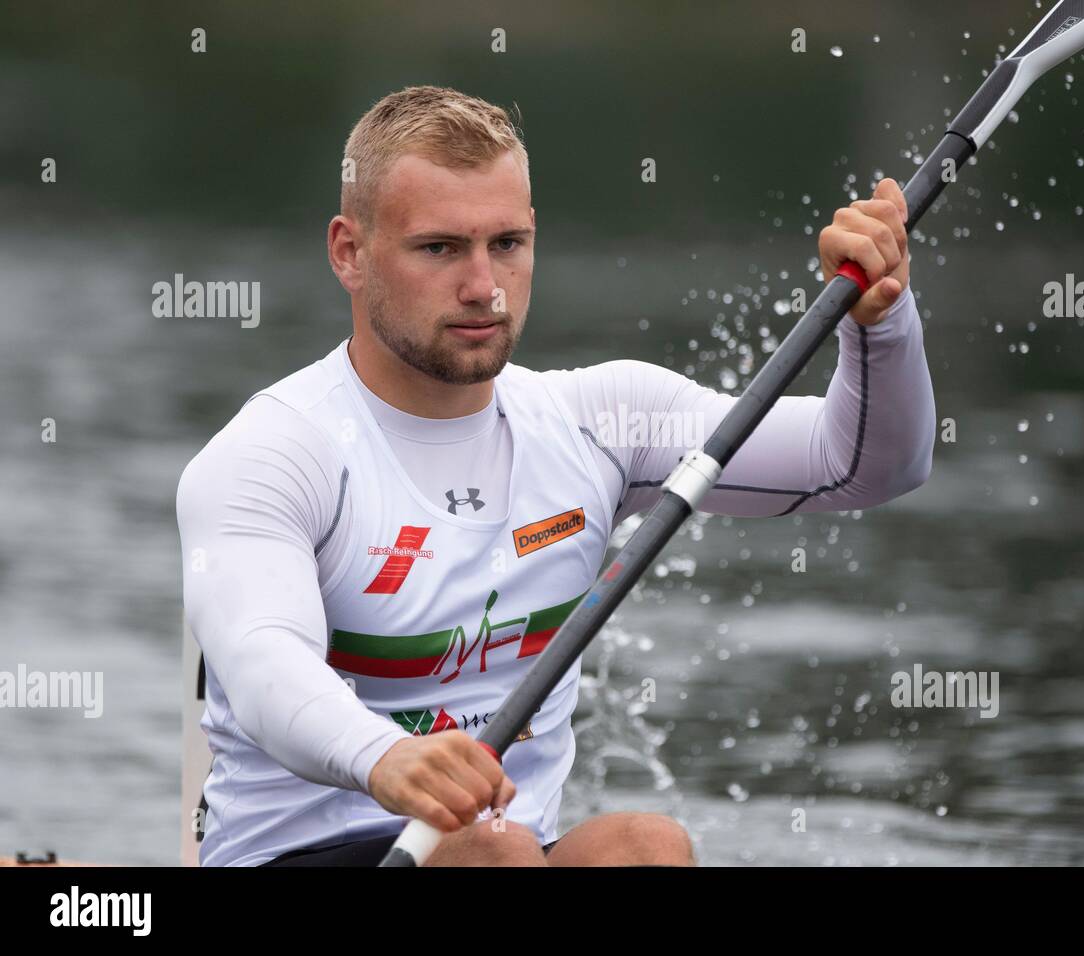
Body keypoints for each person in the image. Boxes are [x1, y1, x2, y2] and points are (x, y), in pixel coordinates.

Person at [176, 85, 935, 866]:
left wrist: (881, 321)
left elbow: (867, 465)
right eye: (440, 248)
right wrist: (385, 757)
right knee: (493, 851)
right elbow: (265, 665)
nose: (484, 286)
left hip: (504, 851)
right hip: (304, 854)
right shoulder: (273, 454)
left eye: (505, 243)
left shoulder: (599, 423)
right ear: (350, 253)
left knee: (645, 845)